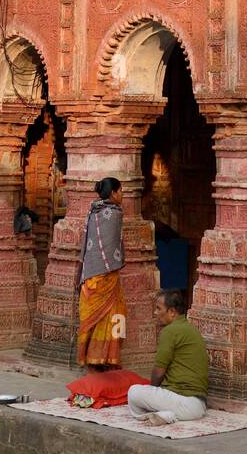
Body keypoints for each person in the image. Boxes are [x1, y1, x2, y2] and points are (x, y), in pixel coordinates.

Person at [128, 289, 208, 425]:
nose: (155, 313)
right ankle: (166, 415)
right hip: (198, 407)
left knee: (133, 392)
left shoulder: (170, 331)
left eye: (159, 308)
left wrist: (153, 391)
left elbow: (159, 372)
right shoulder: (190, 328)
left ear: (171, 312)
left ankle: (164, 415)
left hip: (184, 402)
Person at [75, 178, 127, 369]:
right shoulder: (115, 214)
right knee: (116, 315)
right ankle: (107, 359)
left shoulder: (92, 212)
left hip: (90, 276)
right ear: (113, 193)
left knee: (99, 318)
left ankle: (92, 360)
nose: (122, 195)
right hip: (106, 277)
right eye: (121, 191)